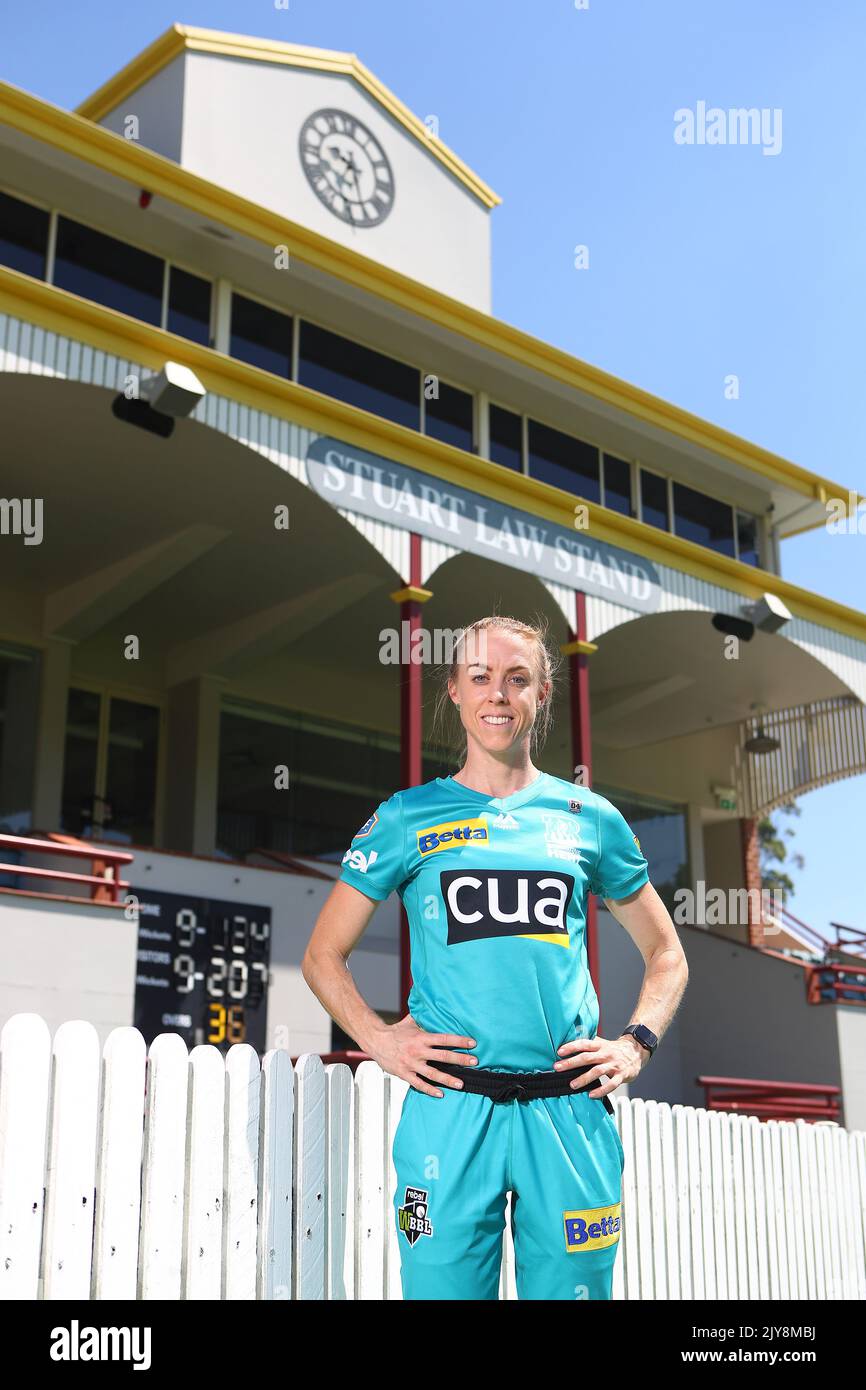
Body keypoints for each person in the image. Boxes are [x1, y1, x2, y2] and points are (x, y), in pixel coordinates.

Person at [302, 614, 688, 1300]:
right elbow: (323, 955)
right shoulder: (407, 817)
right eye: (480, 677)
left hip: (567, 1117)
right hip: (450, 1114)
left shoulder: (589, 817)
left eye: (517, 679)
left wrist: (635, 1045)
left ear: (542, 693)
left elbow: (667, 953)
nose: (498, 695)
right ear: (453, 689)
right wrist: (381, 1041)